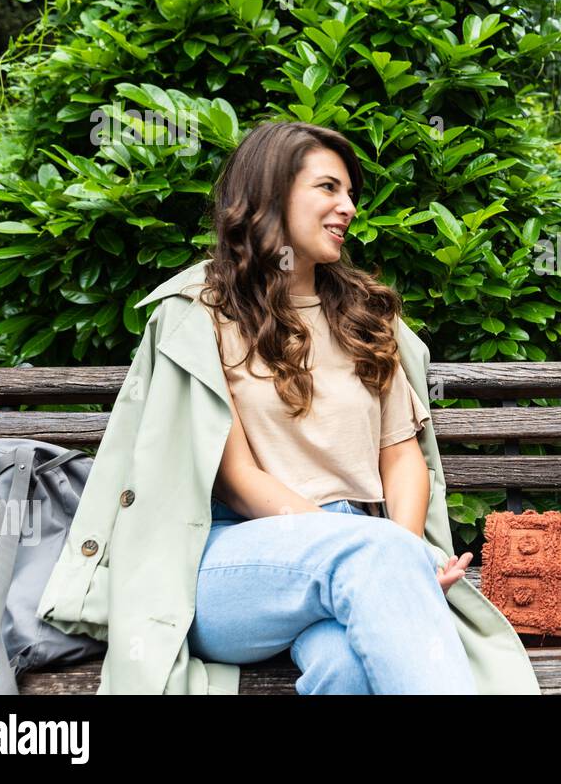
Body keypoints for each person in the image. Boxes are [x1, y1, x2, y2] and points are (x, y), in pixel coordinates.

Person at [181, 121, 476, 694]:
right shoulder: (203, 317)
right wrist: (381, 558)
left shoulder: (364, 315)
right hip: (235, 559)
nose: (348, 208)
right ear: (270, 195)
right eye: (328, 188)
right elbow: (236, 480)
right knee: (370, 563)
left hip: (359, 556)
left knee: (348, 668)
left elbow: (401, 455)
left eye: (350, 194)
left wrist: (405, 551)